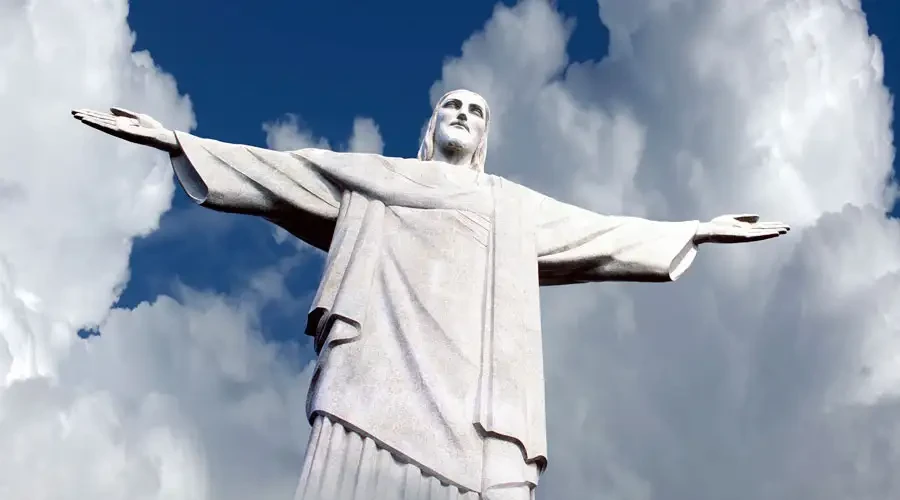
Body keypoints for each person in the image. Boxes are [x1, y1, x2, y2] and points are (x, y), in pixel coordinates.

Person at [72, 89, 789, 500]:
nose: (464, 114)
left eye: (476, 111)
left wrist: (695, 230)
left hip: (473, 402)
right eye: (452, 104)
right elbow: (281, 172)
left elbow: (598, 234)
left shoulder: (510, 207)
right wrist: (176, 141)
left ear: (484, 138)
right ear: (430, 128)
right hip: (372, 383)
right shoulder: (376, 178)